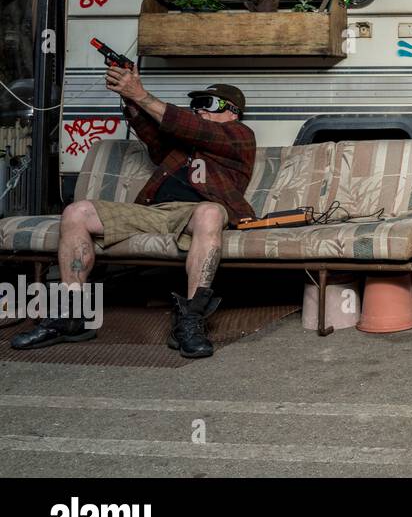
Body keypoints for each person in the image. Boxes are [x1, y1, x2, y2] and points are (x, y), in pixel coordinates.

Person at [11, 78, 256, 359]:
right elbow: (153, 134)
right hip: (154, 211)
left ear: (233, 111)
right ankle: (71, 315)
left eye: (208, 104)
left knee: (211, 212)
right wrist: (131, 99)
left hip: (198, 214)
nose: (199, 110)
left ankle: (190, 321)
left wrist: (142, 94)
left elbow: (190, 126)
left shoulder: (240, 136)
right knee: (76, 212)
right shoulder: (181, 146)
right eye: (196, 105)